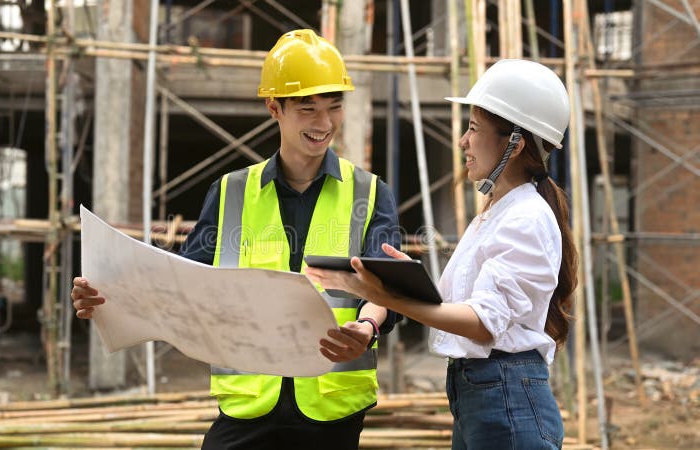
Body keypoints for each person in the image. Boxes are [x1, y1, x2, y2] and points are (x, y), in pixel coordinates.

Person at [72, 29, 401, 450]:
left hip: (332, 407)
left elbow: (384, 281)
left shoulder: (370, 193)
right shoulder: (230, 193)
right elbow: (179, 285)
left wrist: (368, 325)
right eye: (308, 109)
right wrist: (105, 295)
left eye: (334, 107)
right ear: (274, 108)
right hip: (249, 405)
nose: (324, 123)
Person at [306, 58, 577, 449]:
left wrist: (387, 298)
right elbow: (473, 307)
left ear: (514, 145)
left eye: (473, 129)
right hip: (484, 395)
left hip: (505, 398)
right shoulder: (498, 213)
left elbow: (483, 324)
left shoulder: (526, 217)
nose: (463, 141)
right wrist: (406, 283)